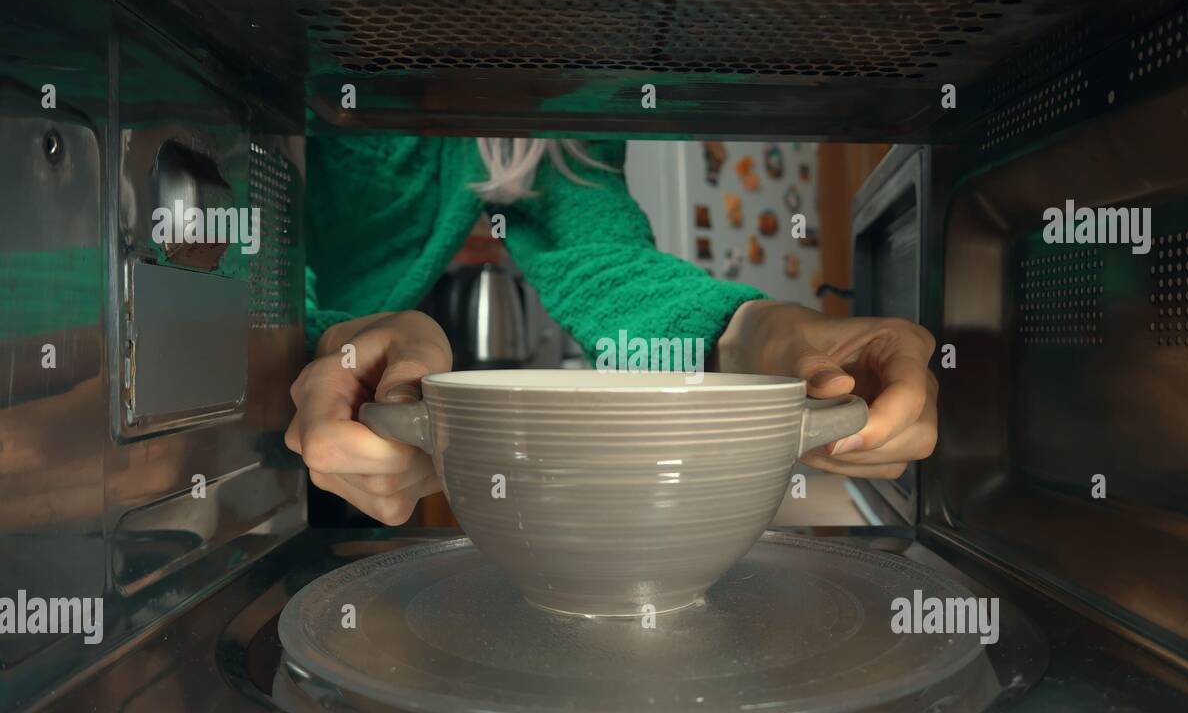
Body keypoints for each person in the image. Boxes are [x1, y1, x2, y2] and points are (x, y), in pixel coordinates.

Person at [285, 137, 938, 525]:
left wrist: (767, 331)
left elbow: (605, 262)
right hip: (250, 416)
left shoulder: (554, 57)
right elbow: (231, 223)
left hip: (349, 418)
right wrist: (330, 337)